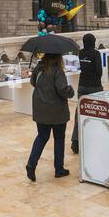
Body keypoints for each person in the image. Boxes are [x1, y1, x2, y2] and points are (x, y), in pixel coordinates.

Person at [26, 53, 74, 181]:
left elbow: (32, 82)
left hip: (41, 109)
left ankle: (31, 164)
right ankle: (59, 169)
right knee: (59, 138)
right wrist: (71, 90)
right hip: (57, 111)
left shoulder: (39, 67)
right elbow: (62, 89)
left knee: (41, 137)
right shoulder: (57, 71)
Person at [70, 34, 103, 155]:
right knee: (96, 112)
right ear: (93, 42)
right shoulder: (96, 54)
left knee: (79, 112)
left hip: (82, 86)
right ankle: (96, 138)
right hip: (94, 86)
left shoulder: (81, 53)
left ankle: (75, 141)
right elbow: (99, 71)